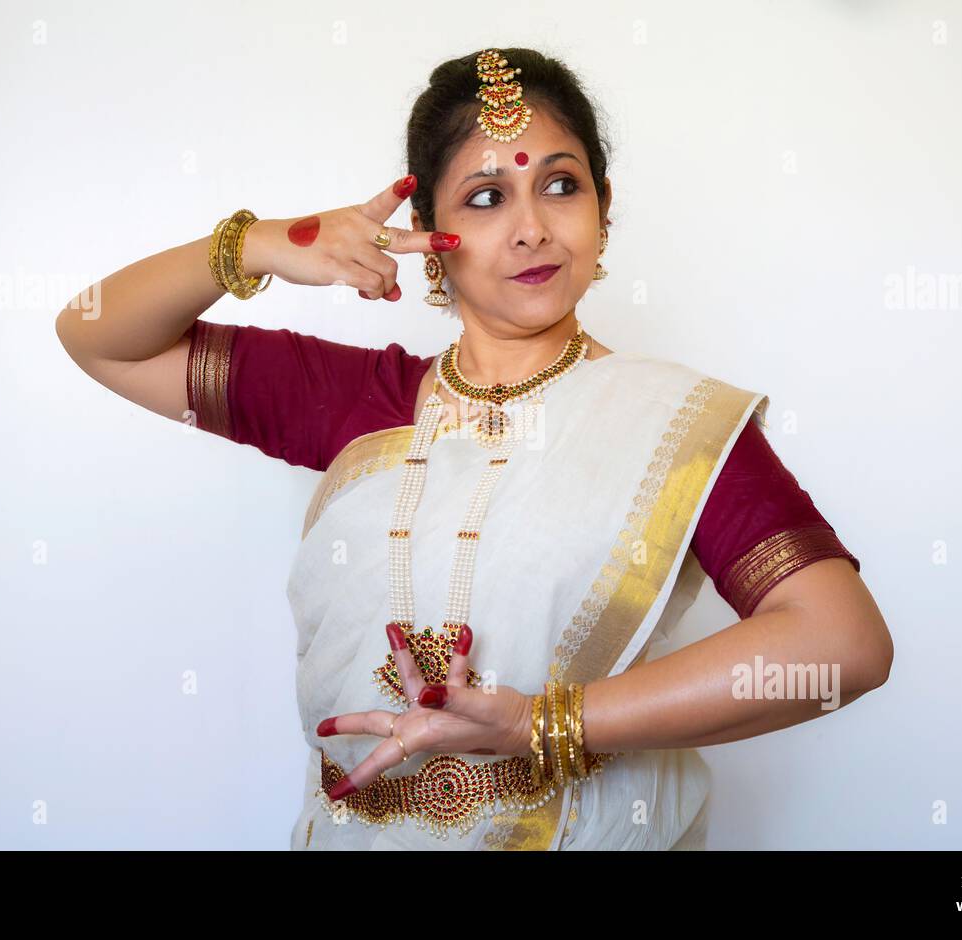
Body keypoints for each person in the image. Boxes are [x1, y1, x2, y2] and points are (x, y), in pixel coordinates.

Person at [55, 48, 893, 851]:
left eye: (561, 186)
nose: (531, 229)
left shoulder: (675, 427)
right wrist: (262, 245)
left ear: (604, 207)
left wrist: (547, 724)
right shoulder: (359, 401)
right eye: (487, 197)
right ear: (426, 235)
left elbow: (842, 645)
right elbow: (96, 334)